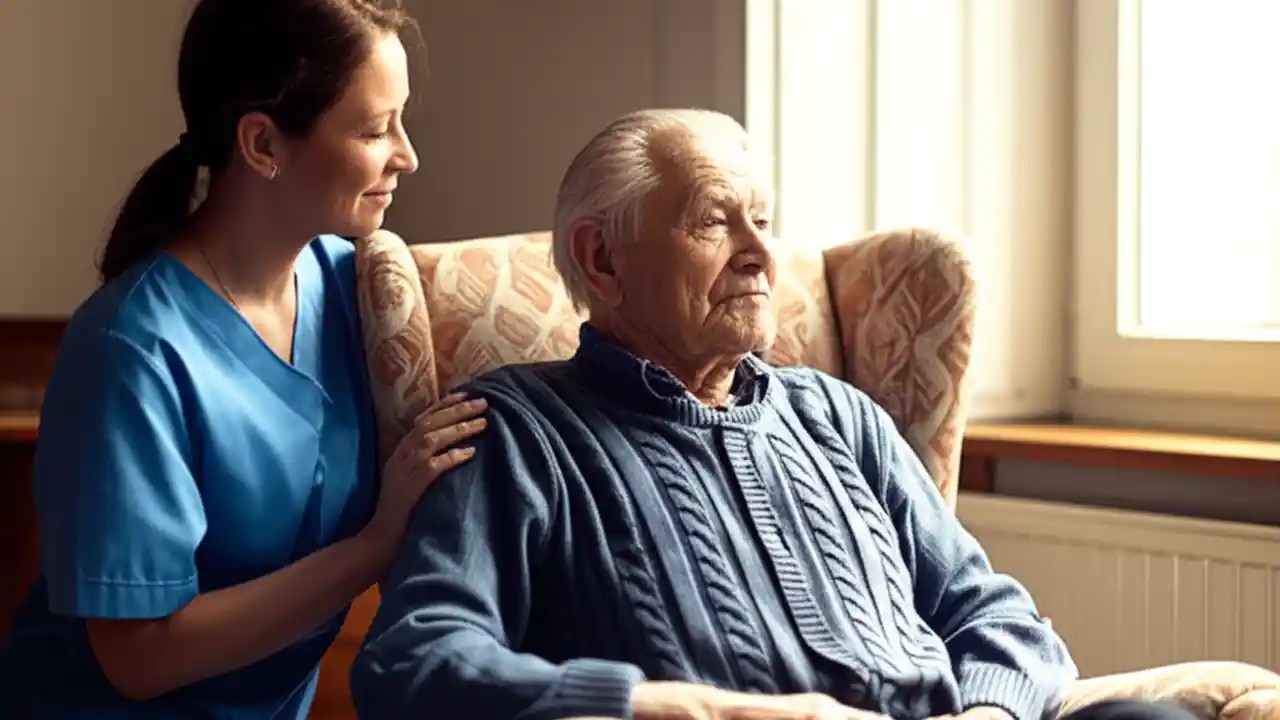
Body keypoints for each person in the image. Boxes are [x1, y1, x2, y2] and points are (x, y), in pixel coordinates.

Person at [349, 109, 1200, 720]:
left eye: (765, 220)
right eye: (718, 221)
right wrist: (681, 707)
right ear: (600, 258)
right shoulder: (513, 431)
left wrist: (986, 713)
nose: (762, 253)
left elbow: (994, 616)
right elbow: (412, 661)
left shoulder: (841, 416)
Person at [0, 1, 488, 718]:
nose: (407, 155)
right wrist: (374, 545)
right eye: (376, 128)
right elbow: (141, 657)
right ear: (262, 144)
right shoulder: (130, 351)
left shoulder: (355, 289)